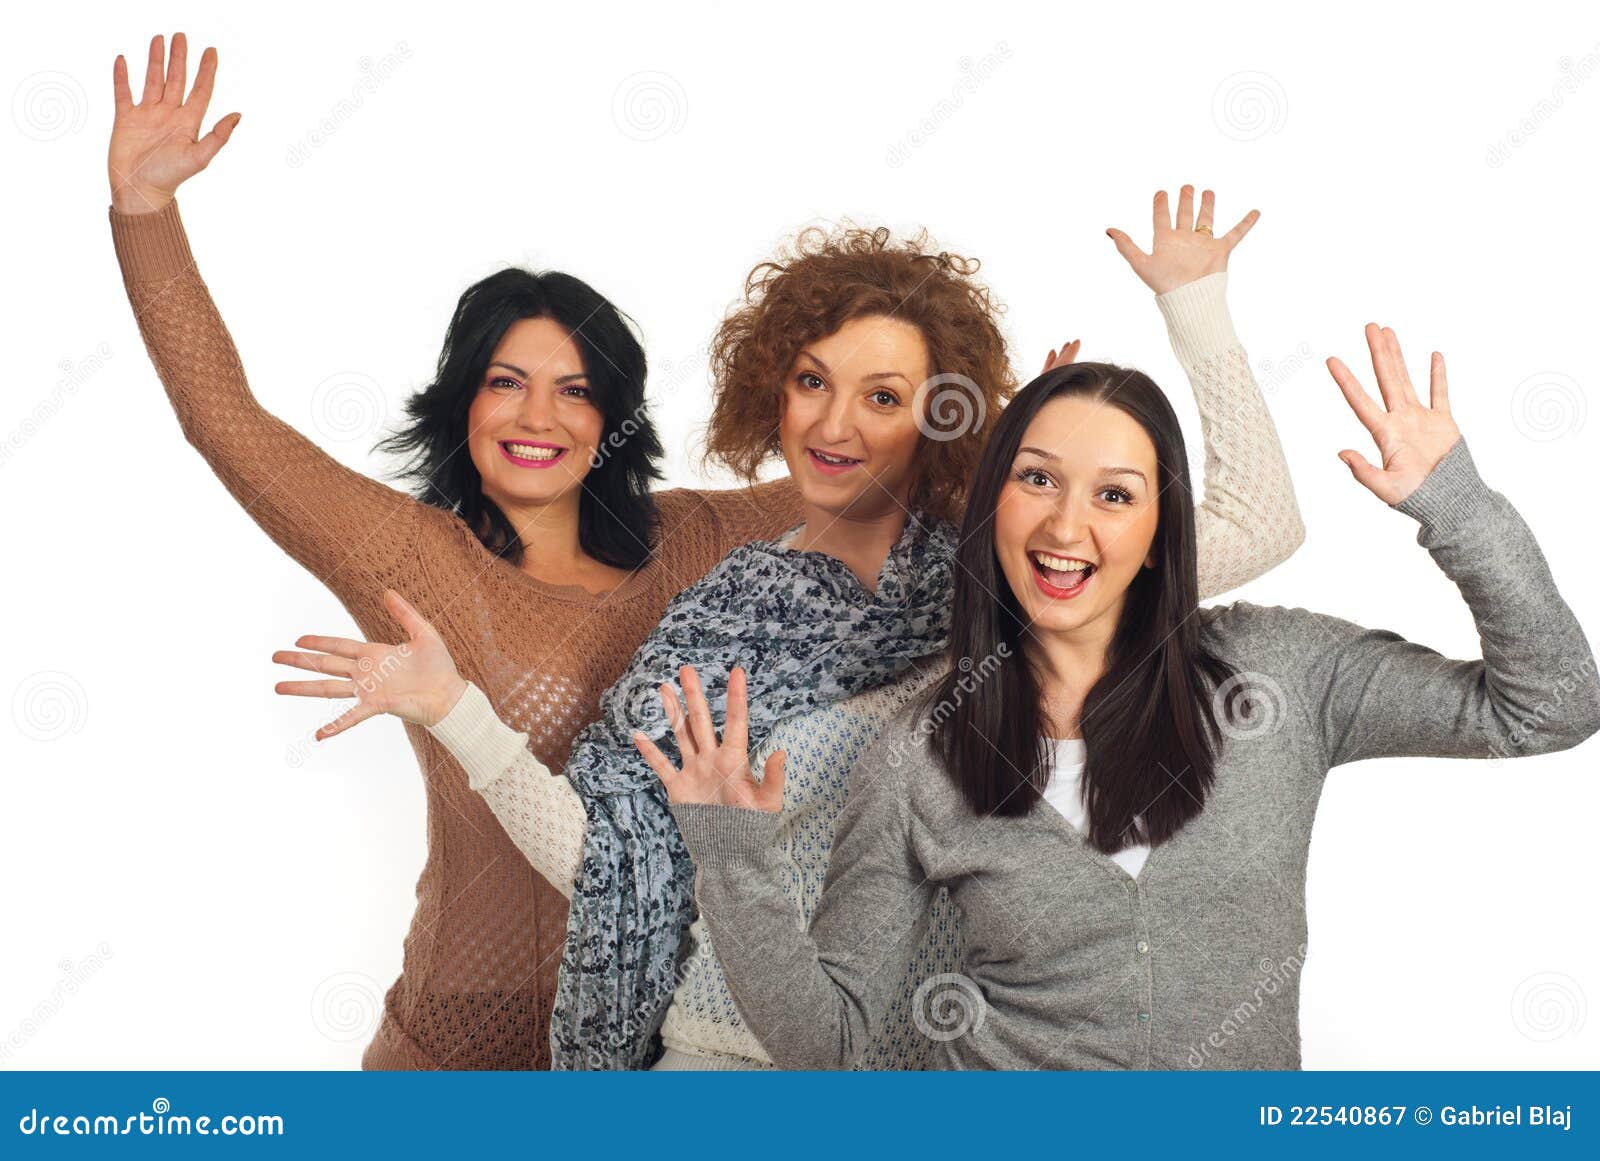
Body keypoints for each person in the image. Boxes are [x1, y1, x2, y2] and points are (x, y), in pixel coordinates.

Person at [275, 187, 1306, 1067]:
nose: (834, 423)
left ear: (939, 418)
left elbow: (1261, 526)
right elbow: (607, 858)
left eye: (882, 396)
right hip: (727, 1064)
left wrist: (1194, 306)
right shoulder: (723, 618)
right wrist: (454, 709)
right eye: (812, 381)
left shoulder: (1007, 579)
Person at [107, 31, 801, 1070]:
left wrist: (1013, 424)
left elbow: (867, 476)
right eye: (504, 382)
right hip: (451, 1053)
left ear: (611, 416)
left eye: (575, 390)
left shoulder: (696, 540)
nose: (537, 416)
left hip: (654, 1058)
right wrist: (145, 210)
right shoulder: (414, 560)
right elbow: (223, 421)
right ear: (462, 402)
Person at [651, 326, 1600, 1069]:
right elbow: (831, 1043)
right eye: (1037, 479)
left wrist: (1455, 505)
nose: (1066, 525)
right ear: (994, 504)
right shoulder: (919, 752)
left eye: (1114, 495)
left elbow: (1551, 704)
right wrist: (731, 857)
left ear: (1158, 530)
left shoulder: (1279, 673)